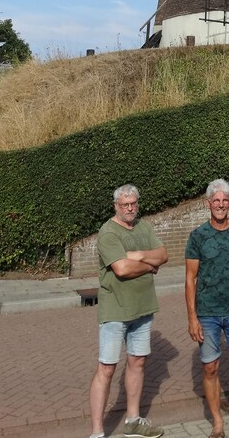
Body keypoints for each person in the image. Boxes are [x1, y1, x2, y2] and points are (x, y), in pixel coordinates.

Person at [88, 184, 169, 438]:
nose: (130, 208)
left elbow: (164, 254)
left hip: (143, 308)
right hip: (115, 311)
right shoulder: (108, 232)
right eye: (125, 205)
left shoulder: (143, 227)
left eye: (133, 203)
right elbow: (121, 269)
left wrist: (138, 255)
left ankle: (133, 421)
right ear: (116, 206)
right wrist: (150, 266)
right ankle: (98, 432)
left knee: (138, 362)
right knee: (107, 368)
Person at [185, 179, 229, 438]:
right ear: (208, 204)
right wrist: (192, 317)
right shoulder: (198, 236)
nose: (220, 205)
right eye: (216, 200)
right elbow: (190, 278)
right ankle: (218, 424)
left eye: (225, 200)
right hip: (207, 313)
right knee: (210, 367)